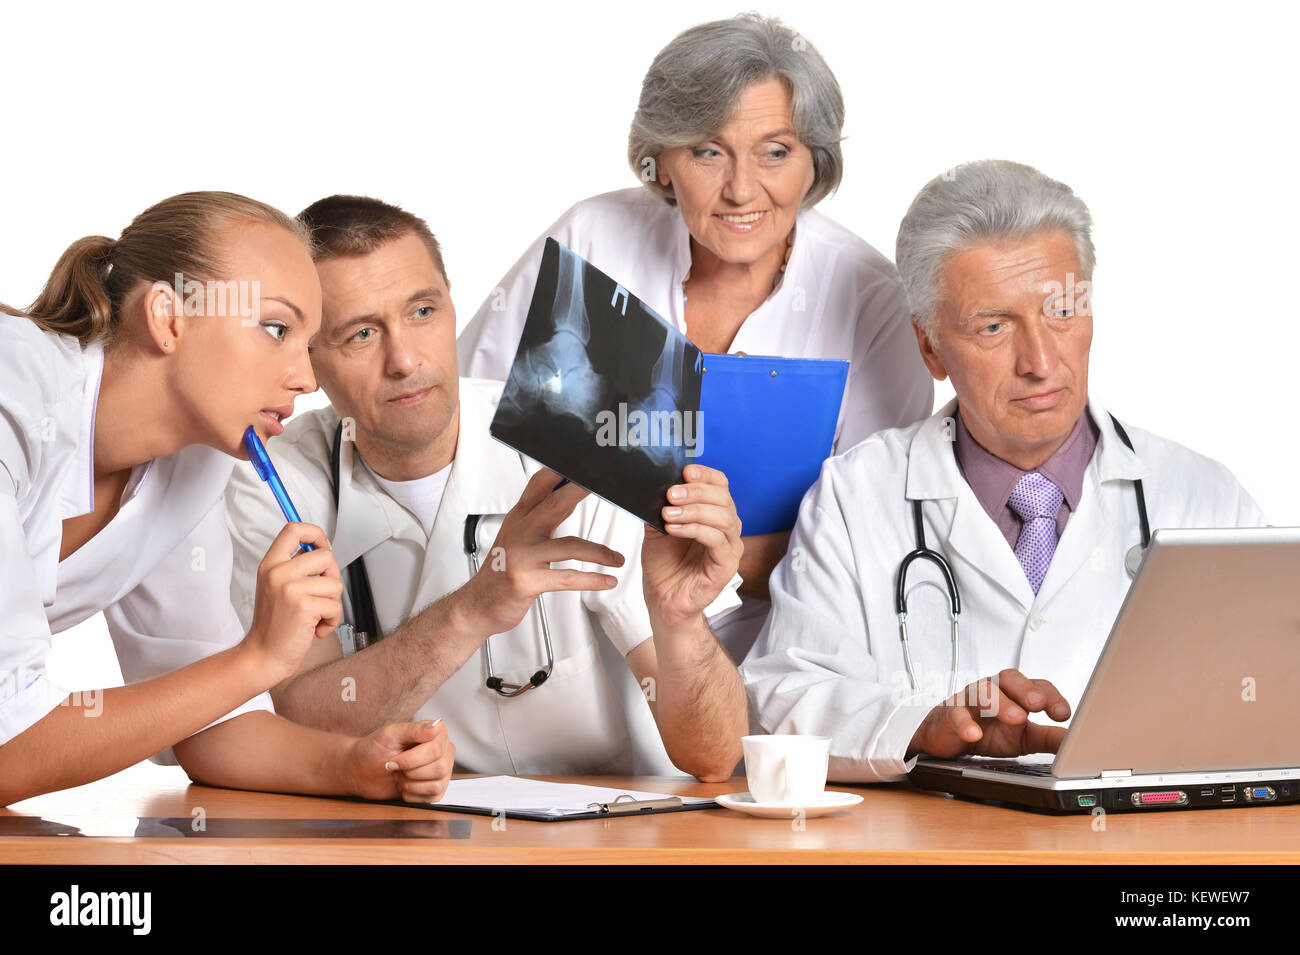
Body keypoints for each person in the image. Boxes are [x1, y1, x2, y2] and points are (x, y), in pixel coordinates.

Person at [741, 160, 1266, 783]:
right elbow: (783, 697)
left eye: (1061, 314)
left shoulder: (1205, 500)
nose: (1040, 362)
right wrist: (922, 723)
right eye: (994, 326)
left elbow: (1270, 696)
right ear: (931, 346)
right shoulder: (855, 497)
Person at [457, 13, 933, 662]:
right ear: (662, 160)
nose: (741, 189)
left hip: (771, 662)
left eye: (775, 151)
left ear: (814, 162)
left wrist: (718, 559)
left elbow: (869, 551)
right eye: (708, 151)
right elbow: (468, 422)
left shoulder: (871, 297)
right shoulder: (589, 238)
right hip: (563, 640)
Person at [224, 195, 748, 781]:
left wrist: (680, 621)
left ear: (451, 304)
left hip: (598, 841)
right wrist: (473, 608)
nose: (404, 359)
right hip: (406, 840)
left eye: (422, 312)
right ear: (309, 357)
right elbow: (296, 723)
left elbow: (715, 755)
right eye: (361, 334)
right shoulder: (275, 483)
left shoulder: (585, 441)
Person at [0, 192, 453, 807]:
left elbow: (207, 724)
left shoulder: (192, 461)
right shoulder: (14, 396)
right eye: (276, 328)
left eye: (310, 341)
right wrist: (257, 658)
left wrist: (353, 766)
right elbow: (9, 750)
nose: (308, 377)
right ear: (168, 317)